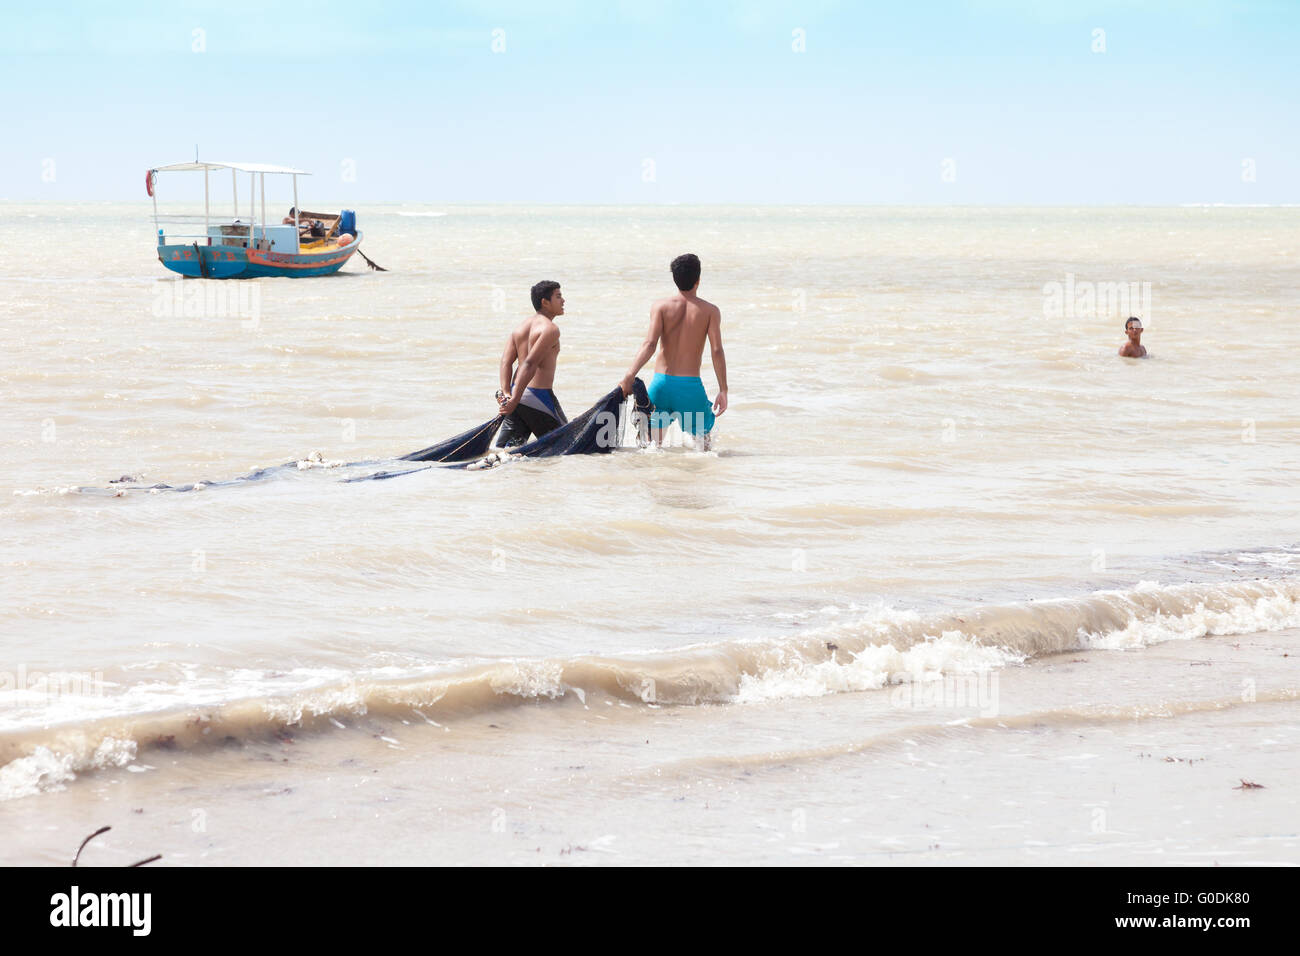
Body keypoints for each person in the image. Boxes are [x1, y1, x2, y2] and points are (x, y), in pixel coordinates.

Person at [619, 253, 728, 448]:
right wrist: (723, 389)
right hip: (690, 388)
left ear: (674, 279)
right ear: (698, 280)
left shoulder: (660, 306)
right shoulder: (710, 311)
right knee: (704, 449)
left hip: (661, 385)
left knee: (652, 447)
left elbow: (649, 345)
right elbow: (717, 351)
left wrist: (630, 374)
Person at [494, 281, 567, 447]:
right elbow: (530, 363)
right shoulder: (550, 329)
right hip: (536, 396)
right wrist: (515, 398)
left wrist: (507, 393)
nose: (563, 300)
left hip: (516, 394)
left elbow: (506, 362)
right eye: (558, 296)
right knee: (567, 445)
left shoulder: (519, 328)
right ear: (545, 302)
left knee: (506, 450)